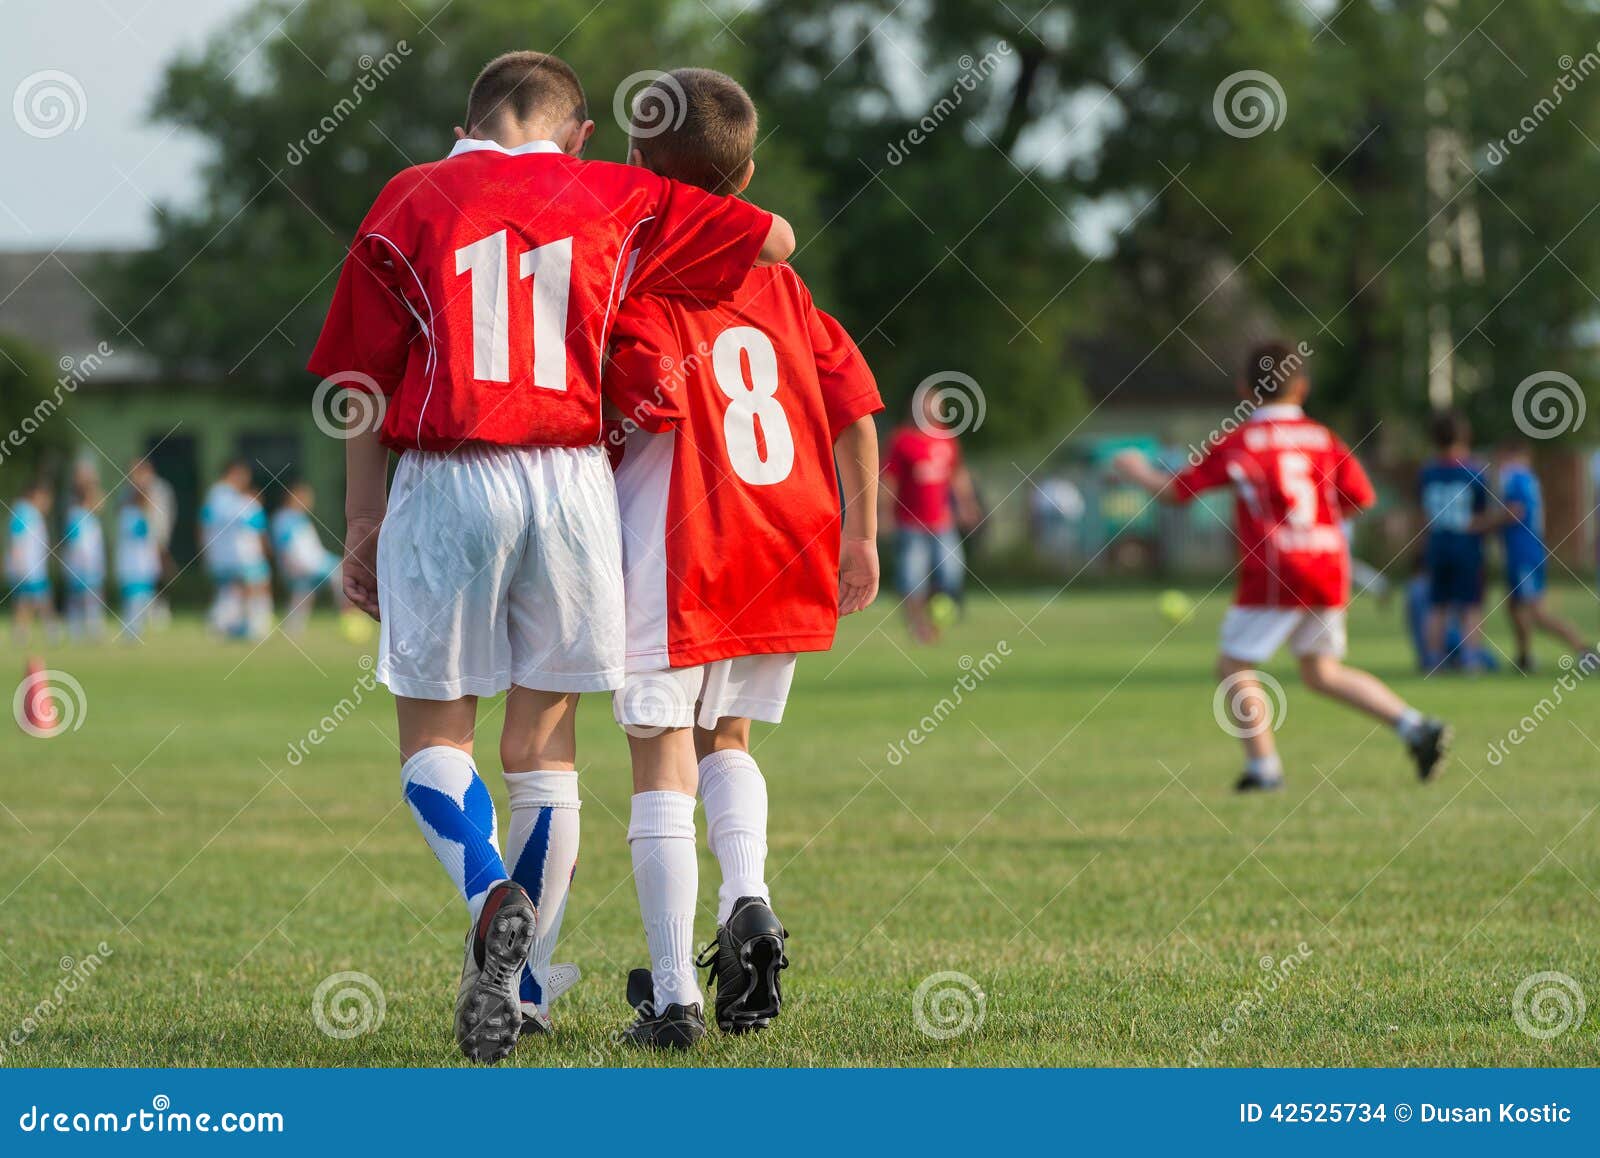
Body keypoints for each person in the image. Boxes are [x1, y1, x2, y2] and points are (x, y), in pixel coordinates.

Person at [308, 50, 794, 1064]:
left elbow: (358, 380)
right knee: (544, 750)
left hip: (451, 471)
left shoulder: (408, 196)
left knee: (435, 739)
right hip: (574, 482)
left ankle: (491, 894)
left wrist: (361, 519)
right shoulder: (615, 191)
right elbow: (775, 239)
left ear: (467, 122)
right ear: (578, 134)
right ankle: (524, 993)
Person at [605, 68, 884, 1048]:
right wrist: (862, 534)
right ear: (749, 174)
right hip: (784, 535)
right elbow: (856, 407)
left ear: (639, 167)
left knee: (659, 751)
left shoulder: (636, 274)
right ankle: (748, 899)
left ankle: (675, 996)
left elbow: (643, 401)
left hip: (683, 541)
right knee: (727, 739)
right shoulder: (784, 284)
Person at [1113, 340, 1450, 792]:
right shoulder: (1323, 438)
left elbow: (1179, 492)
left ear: (1244, 389)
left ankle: (1264, 769)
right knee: (1321, 671)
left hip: (1277, 568)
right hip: (1327, 564)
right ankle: (1416, 727)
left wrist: (1135, 470)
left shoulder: (1241, 440)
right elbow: (1360, 497)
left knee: (1234, 665)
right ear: (1302, 388)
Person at [881, 391, 981, 642]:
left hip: (943, 523)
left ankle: (935, 622)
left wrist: (967, 505)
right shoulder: (902, 440)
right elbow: (890, 480)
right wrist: (883, 513)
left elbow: (957, 475)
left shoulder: (947, 439)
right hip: (910, 523)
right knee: (912, 578)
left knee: (950, 574)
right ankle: (918, 627)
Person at [1493, 440, 1597, 671]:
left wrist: (1482, 524)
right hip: (1526, 551)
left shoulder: (1516, 478)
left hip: (1523, 553)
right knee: (1514, 606)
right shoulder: (1529, 479)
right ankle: (1524, 657)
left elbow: (1514, 512)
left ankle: (1584, 650)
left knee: (1536, 612)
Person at [1418, 411, 1491, 671]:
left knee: (1437, 605)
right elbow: (1480, 514)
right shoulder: (1474, 472)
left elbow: (1423, 513)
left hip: (1437, 544)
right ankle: (1471, 658)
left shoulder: (1428, 472)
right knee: (1470, 605)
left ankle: (1434, 659)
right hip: (1466, 547)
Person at [271, 483, 344, 635]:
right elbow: (284, 547)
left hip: (313, 563)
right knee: (338, 574)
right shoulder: (285, 519)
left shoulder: (300, 519)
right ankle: (348, 613)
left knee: (304, 592)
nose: (309, 502)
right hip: (302, 565)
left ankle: (293, 627)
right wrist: (290, 566)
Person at [200, 461, 251, 636]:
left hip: (225, 552)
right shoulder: (221, 495)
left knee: (231, 588)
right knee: (232, 587)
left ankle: (230, 625)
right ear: (234, 472)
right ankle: (218, 623)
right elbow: (206, 523)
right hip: (225, 552)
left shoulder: (224, 495)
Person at [129, 457, 176, 628]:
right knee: (141, 577)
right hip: (136, 543)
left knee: (158, 574)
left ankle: (160, 608)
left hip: (155, 537)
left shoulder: (160, 489)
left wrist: (161, 540)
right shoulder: (129, 491)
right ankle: (143, 610)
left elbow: (165, 516)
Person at [61, 466, 107, 641]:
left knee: (89, 599)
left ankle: (89, 630)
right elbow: (76, 545)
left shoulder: (89, 517)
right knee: (81, 599)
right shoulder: (77, 516)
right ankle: (79, 632)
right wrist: (86, 566)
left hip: (90, 566)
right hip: (81, 567)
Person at [7, 480, 55, 645]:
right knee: (36, 598)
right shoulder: (24, 511)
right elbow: (17, 537)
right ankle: (50, 630)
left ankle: (22, 633)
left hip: (34, 566)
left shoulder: (32, 512)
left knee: (27, 600)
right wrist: (18, 561)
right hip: (27, 566)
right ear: (37, 495)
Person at [116, 482, 162, 641]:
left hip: (141, 566)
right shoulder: (132, 515)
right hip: (134, 566)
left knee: (140, 599)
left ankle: (135, 630)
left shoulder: (135, 514)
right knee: (134, 600)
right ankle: (131, 631)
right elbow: (142, 535)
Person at [233, 486, 273, 640]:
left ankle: (247, 624)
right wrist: (267, 552)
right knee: (261, 588)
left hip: (239, 557)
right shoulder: (253, 508)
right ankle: (259, 624)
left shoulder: (235, 507)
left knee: (244, 591)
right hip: (253, 556)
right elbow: (261, 534)